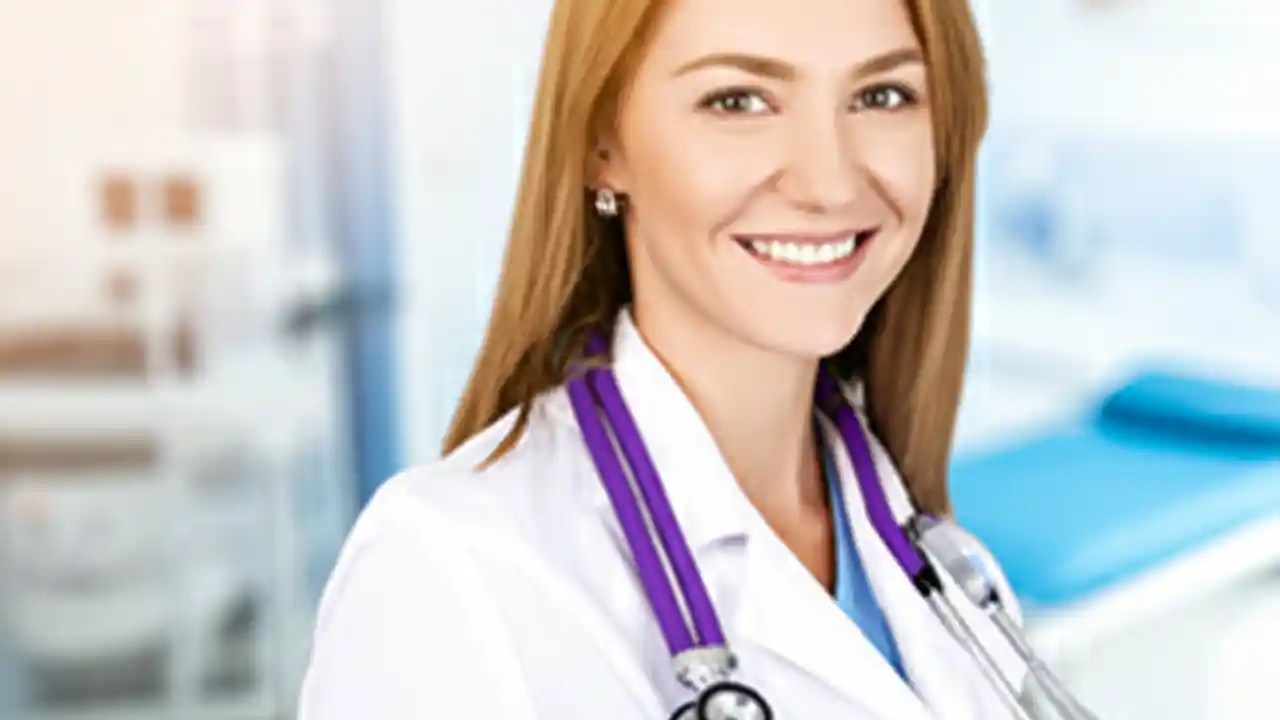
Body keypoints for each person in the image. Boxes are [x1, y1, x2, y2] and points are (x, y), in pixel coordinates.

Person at [299, 0, 1029, 717]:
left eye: (881, 95)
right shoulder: (449, 572)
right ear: (601, 144)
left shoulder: (948, 575)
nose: (830, 182)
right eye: (739, 100)